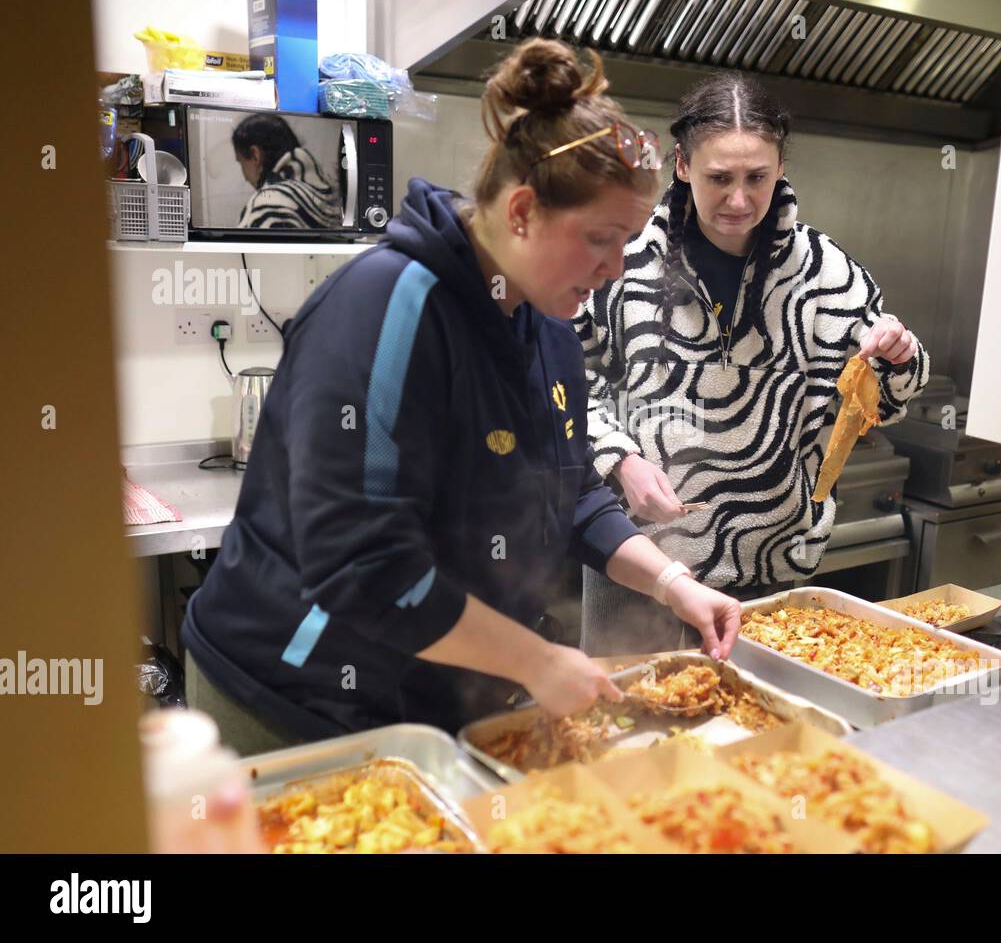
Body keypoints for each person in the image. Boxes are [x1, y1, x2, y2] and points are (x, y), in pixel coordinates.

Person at [183, 40, 741, 756]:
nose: (612, 270)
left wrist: (670, 583)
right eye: (600, 239)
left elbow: (570, 493)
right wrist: (535, 662)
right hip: (293, 703)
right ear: (519, 212)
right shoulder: (386, 306)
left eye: (628, 243)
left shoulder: (547, 320)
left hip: (433, 704)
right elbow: (364, 567)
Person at [577, 72, 930, 656]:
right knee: (623, 736)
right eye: (719, 178)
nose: (739, 200)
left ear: (781, 167)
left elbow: (882, 404)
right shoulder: (623, 262)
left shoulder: (824, 274)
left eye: (756, 178)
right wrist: (620, 461)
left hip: (769, 577)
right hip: (637, 571)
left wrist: (898, 357)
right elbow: (561, 387)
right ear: (682, 165)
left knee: (757, 742)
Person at [231, 113, 341, 229]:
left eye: (241, 163)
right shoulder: (331, 196)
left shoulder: (266, 204)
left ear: (255, 155)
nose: (245, 178)